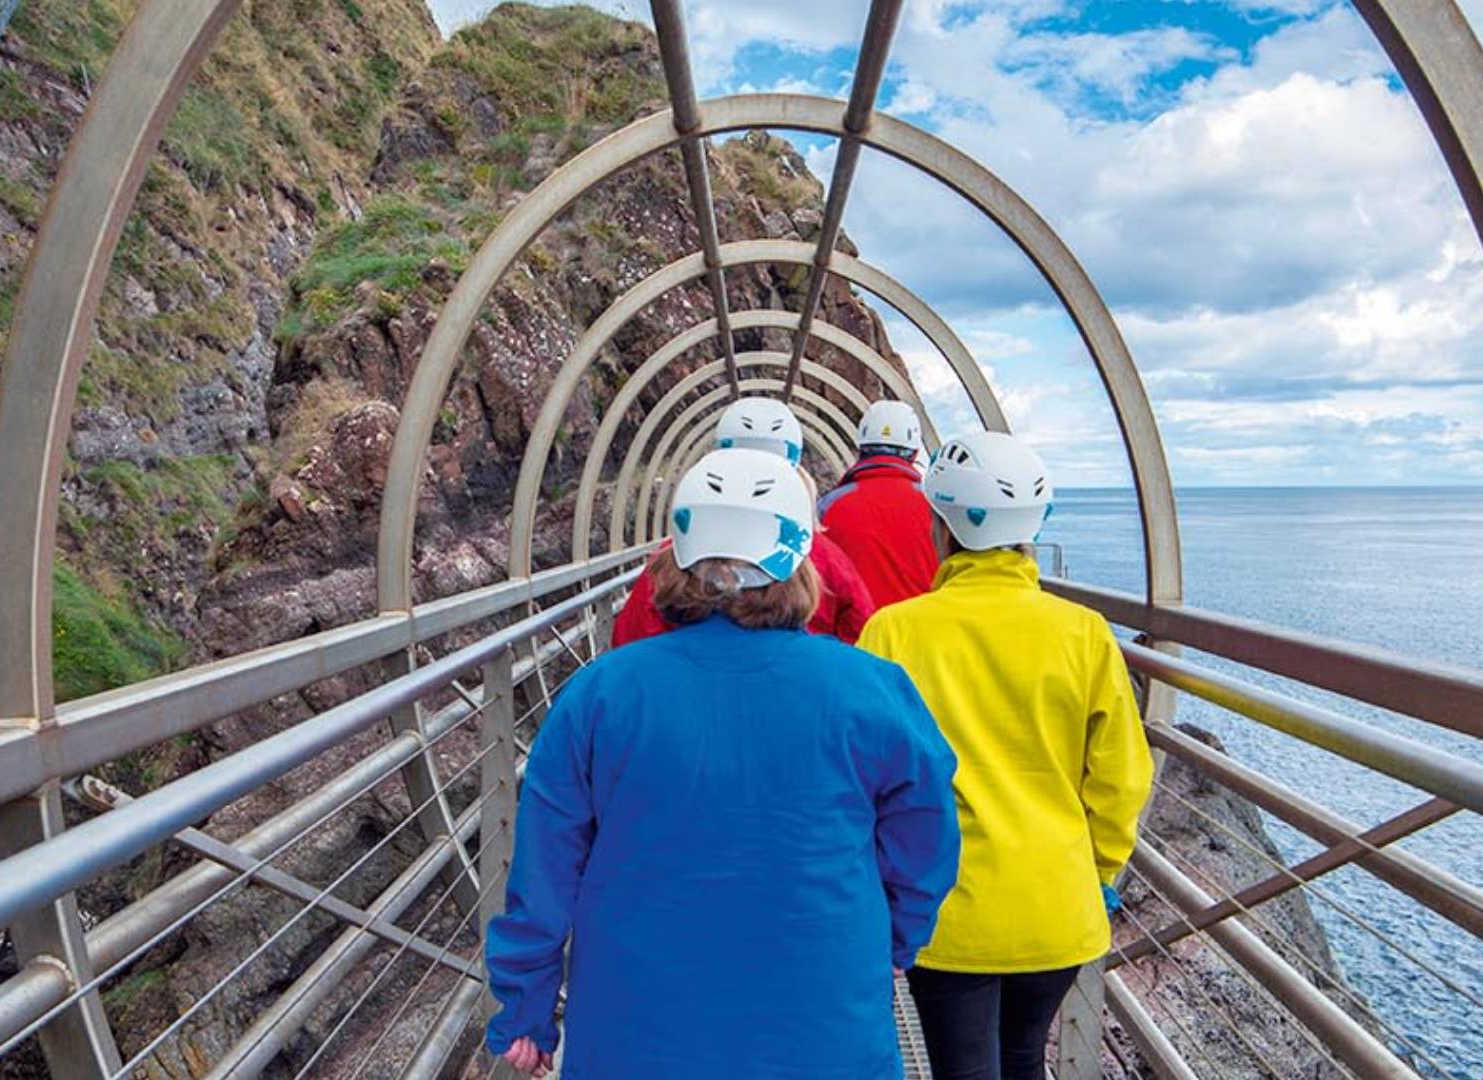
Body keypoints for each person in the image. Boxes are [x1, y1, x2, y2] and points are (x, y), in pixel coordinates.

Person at [485, 447, 961, 1078]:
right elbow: (927, 838)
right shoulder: (872, 689)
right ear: (803, 560)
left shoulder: (601, 693)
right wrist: (896, 938)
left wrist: (527, 1006)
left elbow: (545, 865)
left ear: (675, 556)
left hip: (637, 1029)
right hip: (823, 1016)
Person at [857, 431, 1153, 1080]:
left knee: (962, 1067)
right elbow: (1122, 775)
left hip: (946, 912)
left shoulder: (893, 631)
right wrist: (1099, 870)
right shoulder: (1084, 633)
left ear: (940, 526)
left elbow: (866, 779)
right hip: (1058, 905)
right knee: (1023, 1057)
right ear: (1033, 530)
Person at [612, 397, 877, 645]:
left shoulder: (675, 558)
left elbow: (631, 634)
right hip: (802, 671)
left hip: (684, 673)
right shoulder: (820, 554)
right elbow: (860, 625)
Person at [820, 400, 940, 606]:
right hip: (924, 624)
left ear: (861, 448)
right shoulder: (936, 506)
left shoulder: (828, 506)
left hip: (856, 626)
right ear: (914, 453)